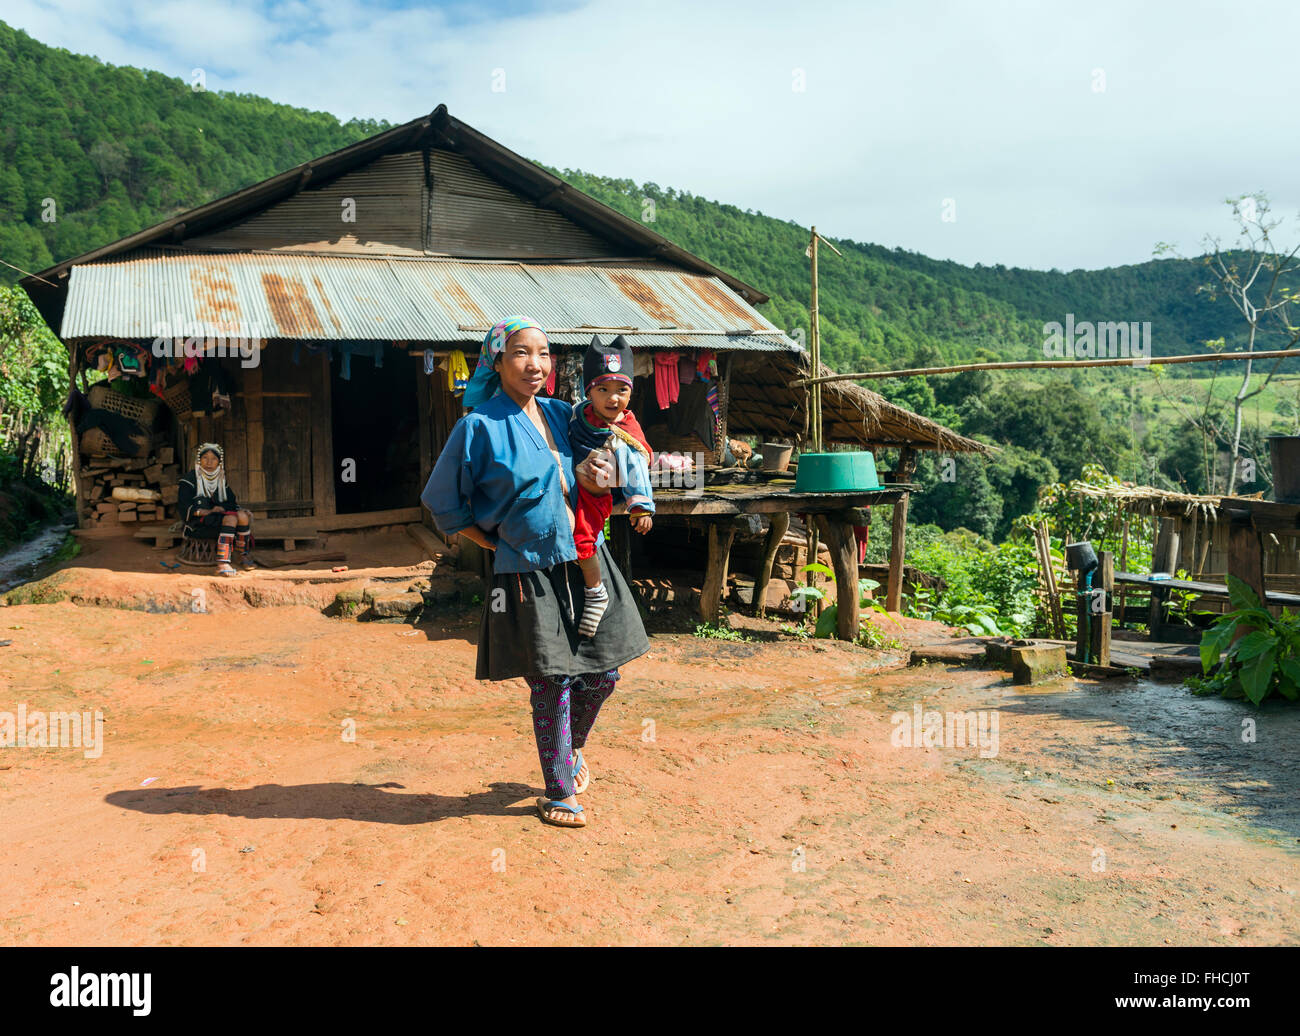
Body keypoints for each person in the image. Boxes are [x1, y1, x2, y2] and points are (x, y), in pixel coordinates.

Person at [421, 316, 650, 829]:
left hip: (585, 559)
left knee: (604, 673)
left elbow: (610, 454)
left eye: (545, 353)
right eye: (522, 353)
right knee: (551, 681)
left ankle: (571, 750)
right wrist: (492, 541)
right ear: (497, 361)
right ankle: (560, 792)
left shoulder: (564, 414)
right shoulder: (478, 426)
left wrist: (604, 478)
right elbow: (443, 503)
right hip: (526, 570)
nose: (536, 364)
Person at [568, 334, 654, 636]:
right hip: (570, 482)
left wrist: (641, 507)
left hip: (596, 490)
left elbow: (635, 470)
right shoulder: (579, 414)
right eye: (602, 389)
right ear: (588, 391)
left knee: (583, 536)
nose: (612, 398)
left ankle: (595, 591)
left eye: (621, 390)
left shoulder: (625, 433)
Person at [176, 443, 254, 577]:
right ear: (199, 460)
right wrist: (207, 511)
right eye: (205, 458)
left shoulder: (221, 479)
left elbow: (231, 502)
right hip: (198, 524)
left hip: (218, 520)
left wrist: (224, 508)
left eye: (214, 459)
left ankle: (243, 555)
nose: (209, 462)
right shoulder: (189, 480)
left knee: (242, 516)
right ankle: (222, 563)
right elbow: (184, 507)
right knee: (231, 518)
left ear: (219, 462)